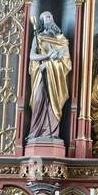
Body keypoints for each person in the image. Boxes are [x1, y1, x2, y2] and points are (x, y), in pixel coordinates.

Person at [26, 12, 71, 143]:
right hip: (41, 76)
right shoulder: (38, 37)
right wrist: (46, 57)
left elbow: (66, 61)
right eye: (46, 17)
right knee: (39, 99)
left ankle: (52, 133)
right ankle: (36, 131)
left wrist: (49, 64)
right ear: (42, 22)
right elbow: (32, 56)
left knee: (53, 103)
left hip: (56, 78)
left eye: (51, 16)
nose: (49, 19)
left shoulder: (61, 39)